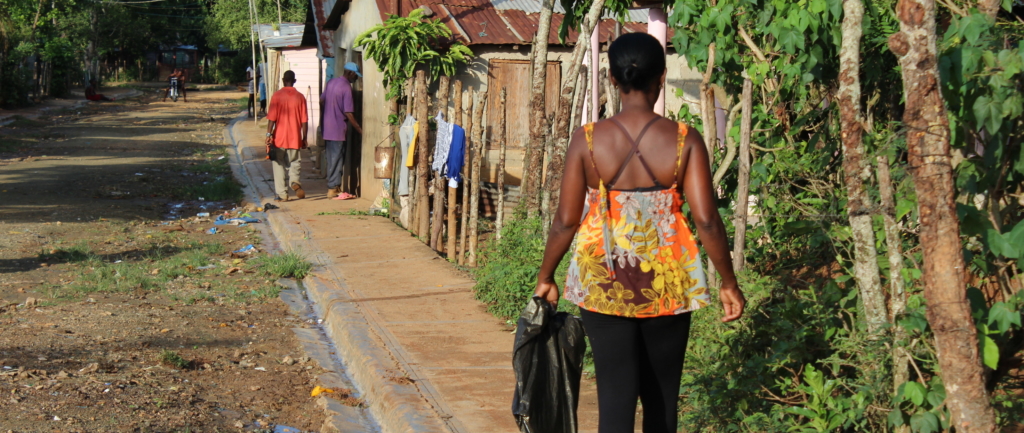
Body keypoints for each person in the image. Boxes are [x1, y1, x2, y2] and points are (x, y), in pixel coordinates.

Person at [533, 33, 745, 433]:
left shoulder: (587, 140)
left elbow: (565, 220)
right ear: (661, 78)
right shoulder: (685, 141)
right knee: (662, 400)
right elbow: (707, 221)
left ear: (613, 78)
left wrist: (547, 276)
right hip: (669, 281)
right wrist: (728, 283)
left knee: (615, 396)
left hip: (602, 280)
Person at [320, 62, 364, 199]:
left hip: (327, 127)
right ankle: (333, 187)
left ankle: (334, 186)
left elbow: (322, 101)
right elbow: (349, 112)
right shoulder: (346, 88)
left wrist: (326, 115)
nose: (356, 79)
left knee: (332, 158)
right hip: (338, 129)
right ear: (350, 73)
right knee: (337, 159)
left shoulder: (331, 82)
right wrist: (359, 129)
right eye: (356, 76)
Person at [265, 70, 308, 201]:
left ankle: (282, 194)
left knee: (278, 164)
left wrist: (268, 134)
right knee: (295, 162)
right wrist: (304, 138)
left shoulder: (277, 96)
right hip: (295, 138)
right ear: (294, 81)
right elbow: (304, 121)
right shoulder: (300, 97)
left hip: (279, 138)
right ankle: (294, 181)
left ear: (283, 80)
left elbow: (272, 118)